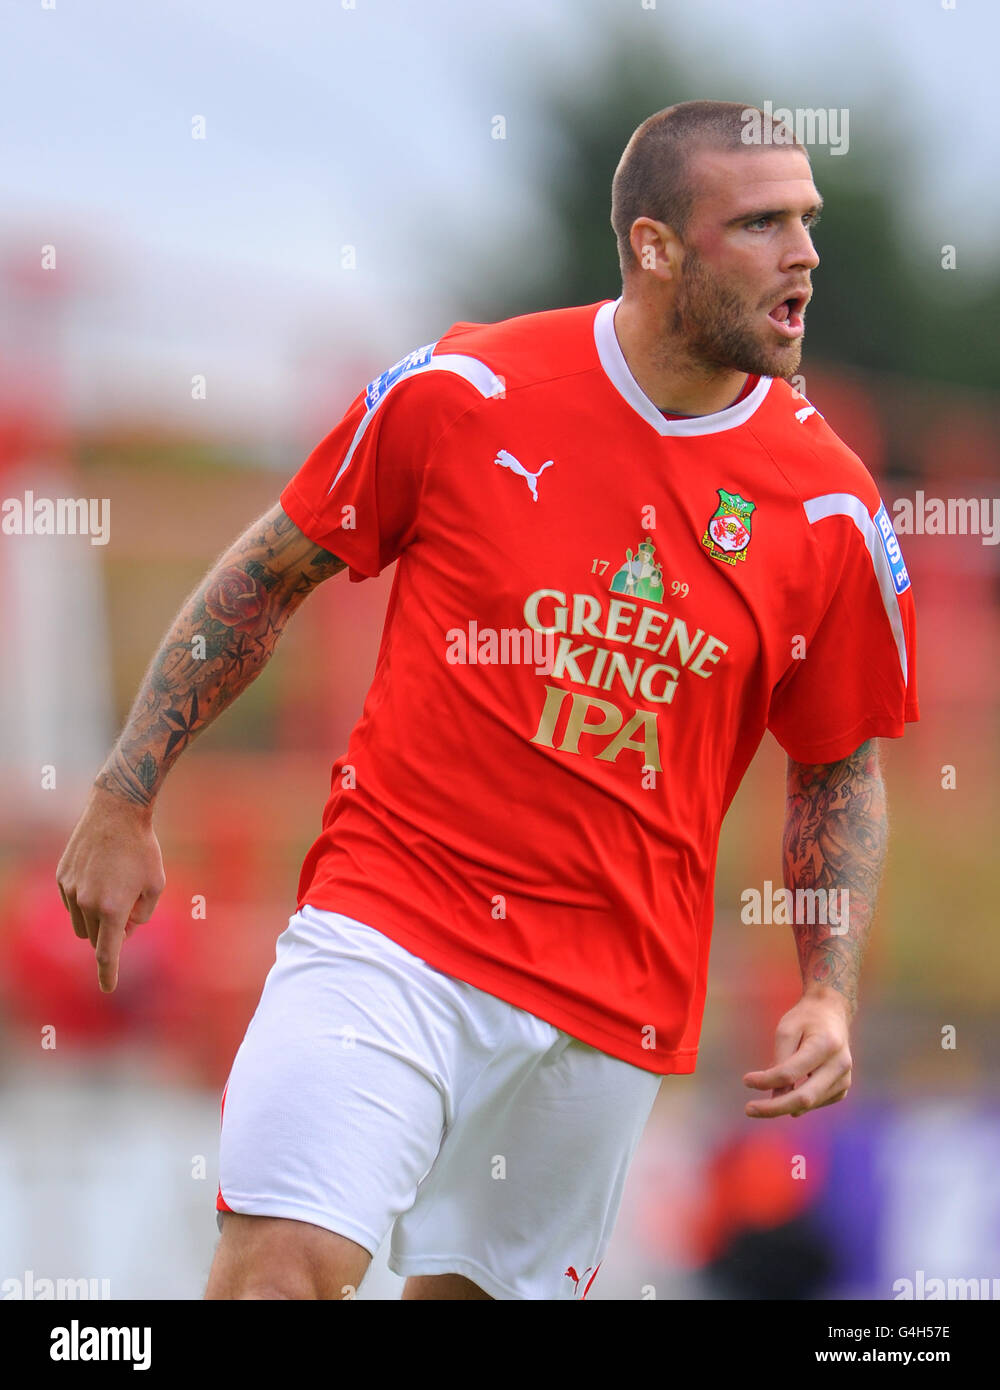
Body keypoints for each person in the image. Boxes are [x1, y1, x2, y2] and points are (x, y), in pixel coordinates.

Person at [56, 100, 919, 1301]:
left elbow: (839, 765)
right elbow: (268, 572)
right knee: (281, 1269)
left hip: (608, 1003)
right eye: (762, 222)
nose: (805, 254)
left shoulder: (833, 509)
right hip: (390, 932)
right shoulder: (466, 389)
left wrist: (826, 990)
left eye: (808, 222)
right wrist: (123, 793)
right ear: (654, 247)